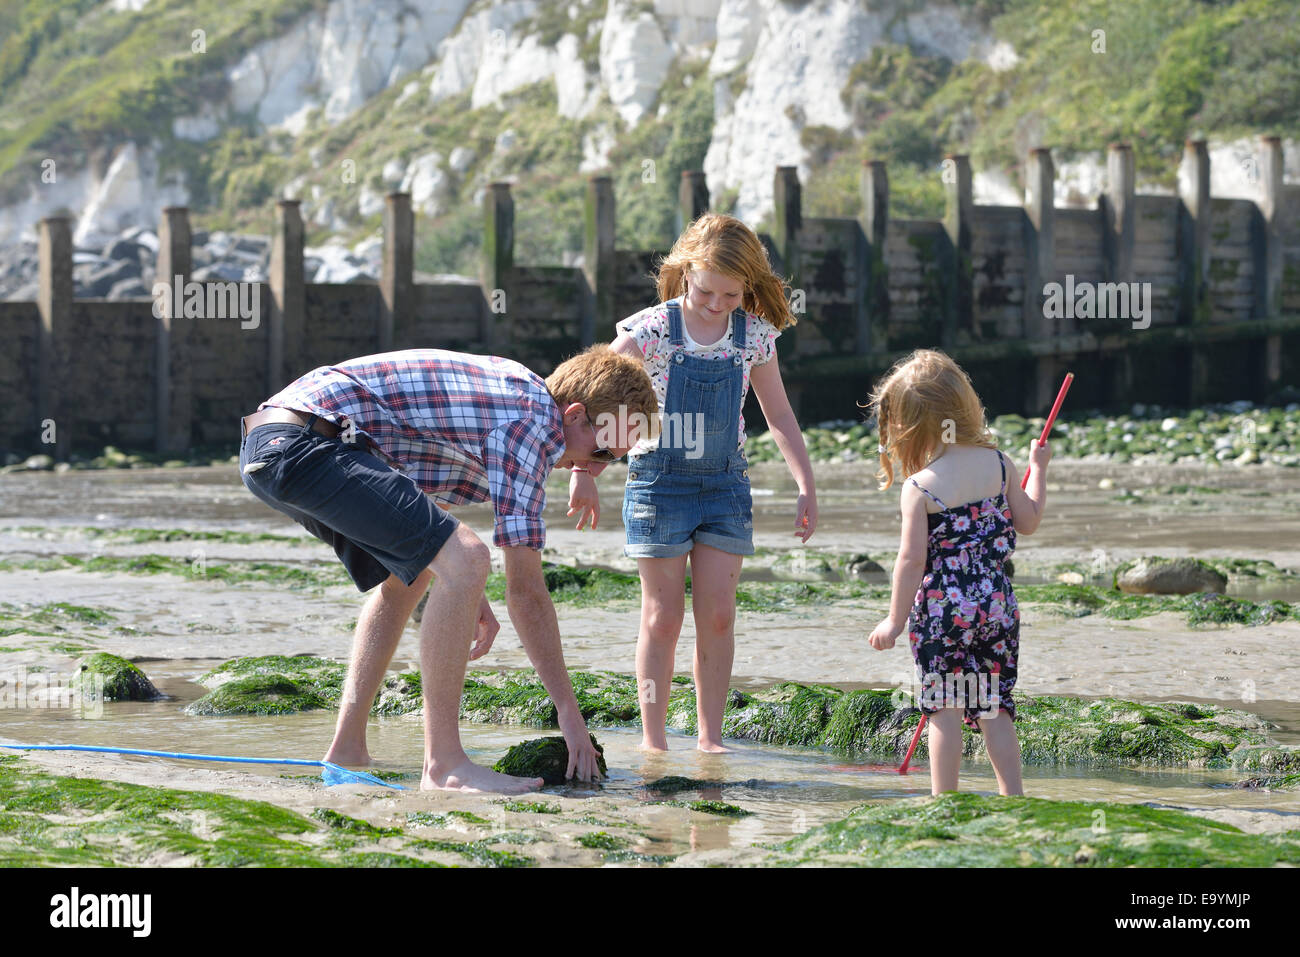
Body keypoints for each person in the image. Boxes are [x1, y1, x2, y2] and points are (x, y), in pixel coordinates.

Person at [238, 345, 656, 793]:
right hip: (305, 443)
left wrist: (468, 591)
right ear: (573, 416)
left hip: (275, 442)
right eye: (605, 454)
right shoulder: (531, 426)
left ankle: (348, 749)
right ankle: (444, 766)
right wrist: (570, 717)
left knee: (411, 576)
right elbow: (527, 592)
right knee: (469, 557)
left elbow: (417, 508)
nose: (595, 469)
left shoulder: (515, 402)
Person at [567, 213, 818, 752]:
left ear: (747, 287)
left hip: (726, 486)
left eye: (730, 295)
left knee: (720, 615)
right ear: (685, 272)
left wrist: (806, 483)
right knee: (662, 617)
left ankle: (710, 738)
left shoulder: (753, 335)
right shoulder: (651, 330)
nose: (715, 304)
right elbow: (602, 400)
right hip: (659, 484)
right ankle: (653, 740)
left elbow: (778, 415)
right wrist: (586, 472)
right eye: (707, 291)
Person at [865, 349, 1050, 796]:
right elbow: (1028, 521)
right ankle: (1014, 798)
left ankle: (943, 800)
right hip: (997, 606)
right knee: (993, 708)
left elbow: (911, 562)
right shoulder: (1001, 464)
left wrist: (893, 620)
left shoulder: (920, 487)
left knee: (943, 709)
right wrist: (1038, 471)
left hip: (943, 613)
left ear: (908, 426)